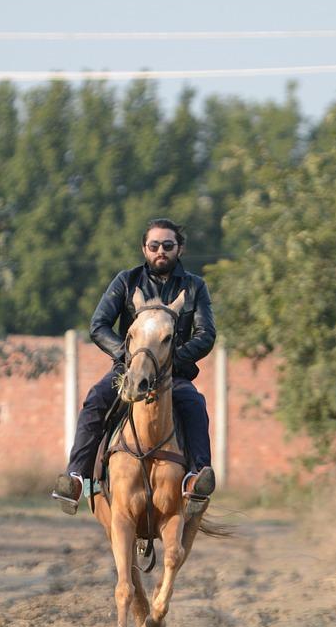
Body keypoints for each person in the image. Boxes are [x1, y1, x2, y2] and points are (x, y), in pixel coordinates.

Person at [52, 217, 216, 515]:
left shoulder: (195, 287)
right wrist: (130, 358)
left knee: (194, 404)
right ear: (144, 248)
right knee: (96, 399)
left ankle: (196, 478)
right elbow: (99, 325)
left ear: (180, 249)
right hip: (129, 371)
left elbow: (206, 335)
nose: (161, 251)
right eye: (154, 246)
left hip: (172, 373)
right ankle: (76, 476)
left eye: (168, 245)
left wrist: (171, 361)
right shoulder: (126, 281)